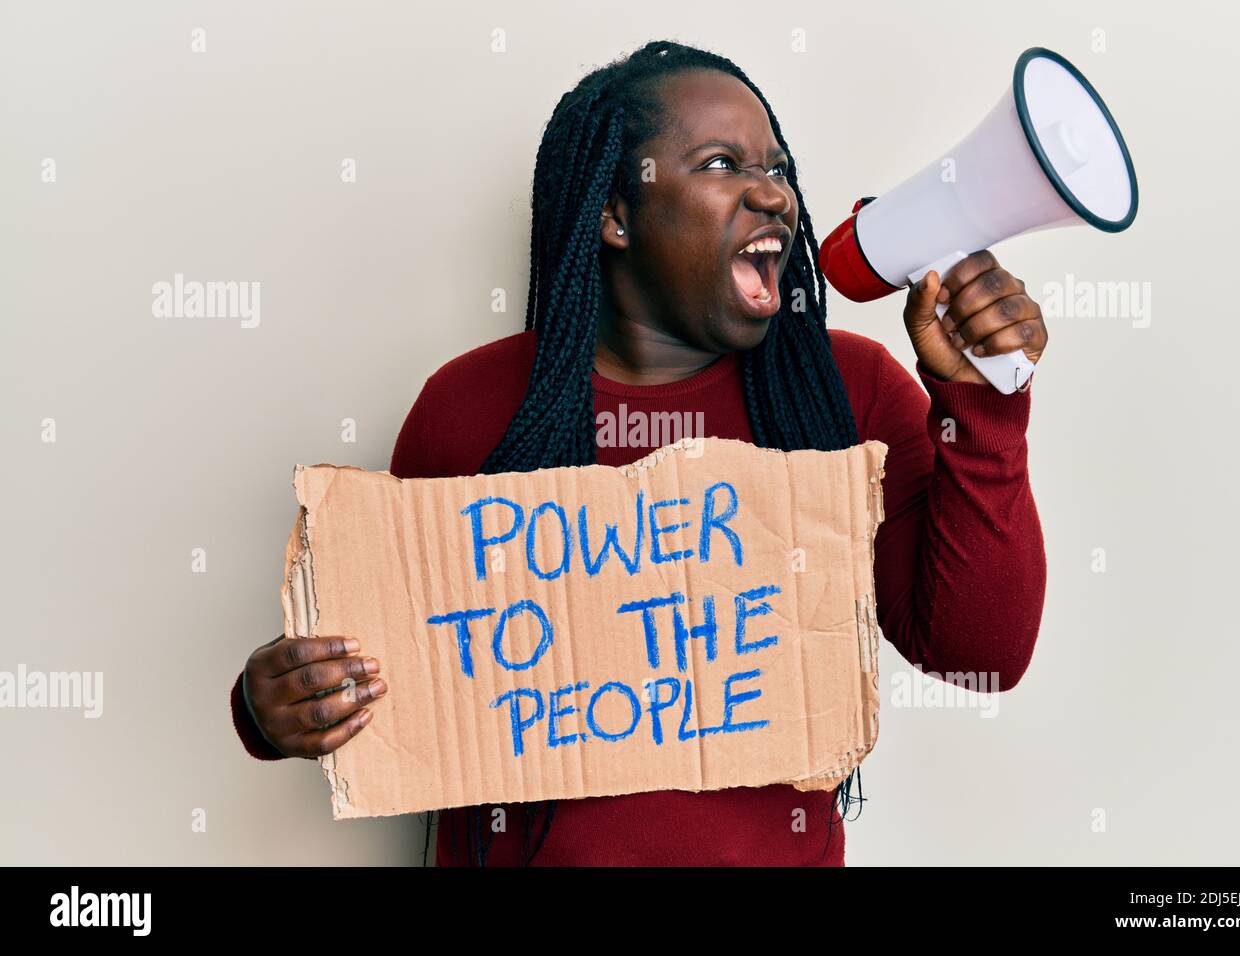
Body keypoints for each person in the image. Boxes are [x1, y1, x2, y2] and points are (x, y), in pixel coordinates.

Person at [230, 39, 1048, 867]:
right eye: (723, 163)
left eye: (777, 167)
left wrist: (984, 404)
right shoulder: (469, 408)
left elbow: (982, 654)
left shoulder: (846, 393)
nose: (773, 192)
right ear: (616, 213)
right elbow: (395, 682)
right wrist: (273, 711)